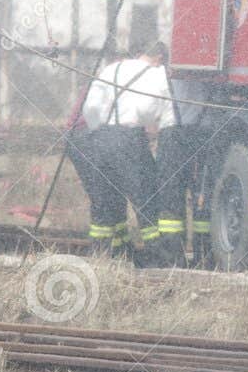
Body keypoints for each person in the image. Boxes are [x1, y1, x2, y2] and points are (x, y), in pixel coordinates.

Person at [70, 40, 172, 259]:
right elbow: (149, 110)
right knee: (145, 196)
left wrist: (102, 130)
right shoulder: (156, 74)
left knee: (105, 199)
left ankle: (103, 251)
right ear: (160, 59)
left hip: (100, 137)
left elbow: (91, 108)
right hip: (129, 139)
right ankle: (156, 255)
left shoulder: (112, 68)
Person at [152, 73, 211, 265]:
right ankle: (205, 255)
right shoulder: (206, 77)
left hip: (172, 136)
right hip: (202, 134)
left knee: (171, 198)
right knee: (202, 195)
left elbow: (151, 110)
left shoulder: (164, 75)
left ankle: (172, 257)